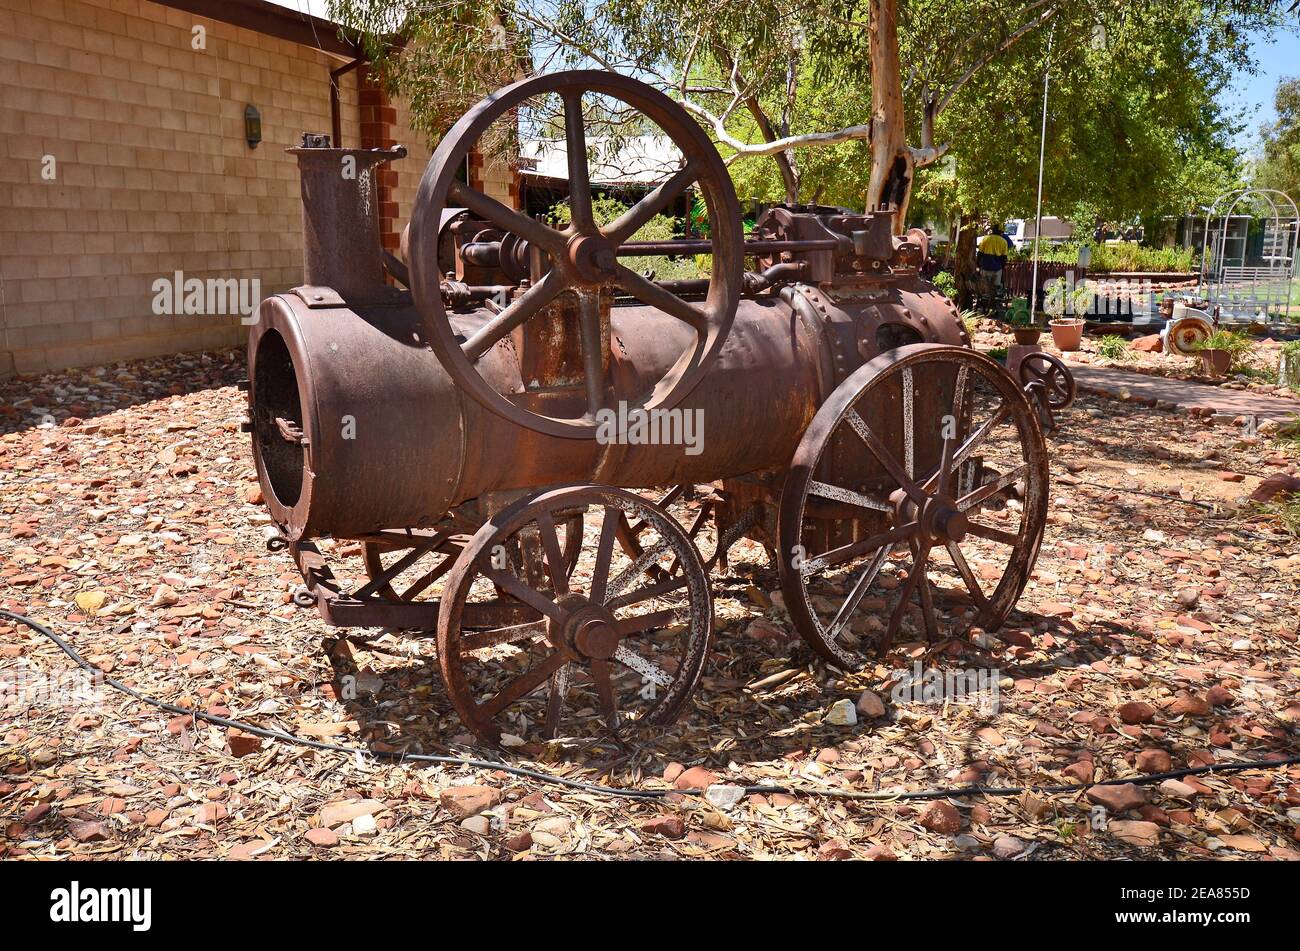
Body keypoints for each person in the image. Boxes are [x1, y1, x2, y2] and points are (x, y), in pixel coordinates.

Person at [976, 224, 1011, 290]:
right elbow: (1004, 257)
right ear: (1000, 232)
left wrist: (978, 264)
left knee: (984, 288)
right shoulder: (1004, 242)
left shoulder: (986, 239)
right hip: (997, 269)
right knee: (996, 288)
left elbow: (980, 253)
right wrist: (1002, 267)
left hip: (985, 267)